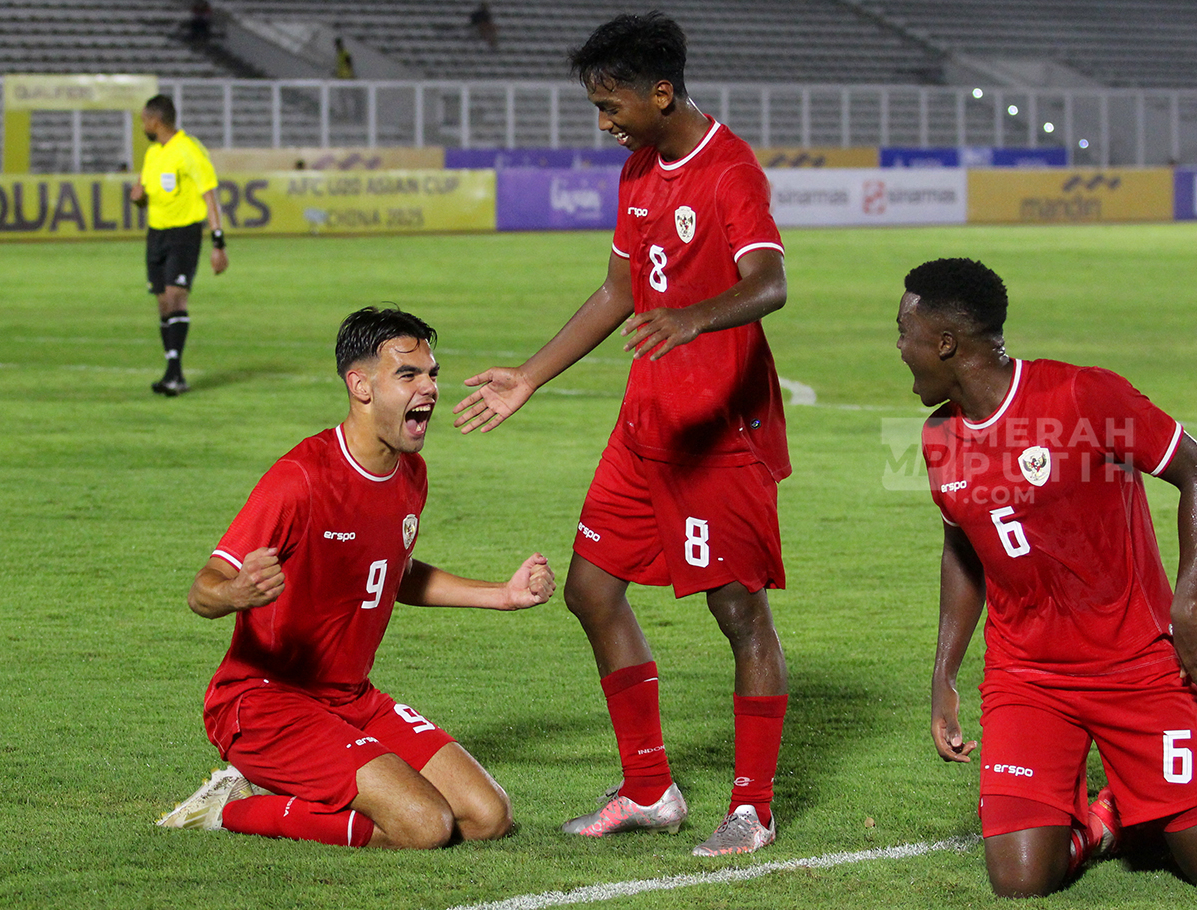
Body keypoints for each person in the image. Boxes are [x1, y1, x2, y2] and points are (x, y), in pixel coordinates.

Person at [453, 12, 791, 856]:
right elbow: (615, 291)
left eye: (611, 106)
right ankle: (651, 790)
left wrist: (694, 317)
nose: (603, 123)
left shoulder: (730, 170)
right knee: (592, 589)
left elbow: (770, 281)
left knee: (736, 610)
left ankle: (753, 805)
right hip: (646, 425)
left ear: (661, 91)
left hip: (717, 433)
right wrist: (529, 375)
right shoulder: (640, 169)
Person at [155, 307, 556, 848]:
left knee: (488, 816)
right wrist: (235, 592)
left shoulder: (411, 472)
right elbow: (203, 590)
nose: (429, 388)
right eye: (408, 375)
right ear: (360, 385)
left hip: (351, 699)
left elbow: (392, 571)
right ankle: (233, 807)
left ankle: (309, 789)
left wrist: (501, 596)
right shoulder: (300, 478)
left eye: (432, 373)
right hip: (265, 704)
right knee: (425, 826)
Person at [897, 257, 1197, 897]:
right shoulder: (938, 438)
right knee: (1021, 880)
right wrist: (945, 673)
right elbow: (962, 546)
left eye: (905, 332)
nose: (899, 348)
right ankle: (1105, 818)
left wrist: (1190, 598)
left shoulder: (1083, 397)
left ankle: (1133, 796)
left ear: (945, 343)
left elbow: (1194, 469)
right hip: (1027, 676)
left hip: (1138, 664)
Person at [129, 94, 227, 397]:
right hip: (155, 235)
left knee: (176, 297)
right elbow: (147, 195)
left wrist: (218, 241)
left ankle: (175, 372)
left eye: (144, 120)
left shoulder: (189, 151)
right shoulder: (153, 154)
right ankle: (172, 370)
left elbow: (209, 195)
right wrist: (139, 197)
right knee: (162, 303)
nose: (143, 125)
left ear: (155, 120)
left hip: (183, 234)